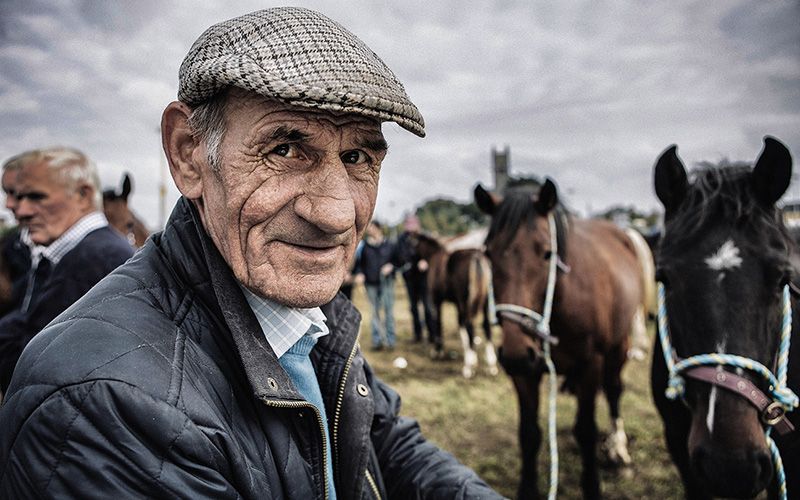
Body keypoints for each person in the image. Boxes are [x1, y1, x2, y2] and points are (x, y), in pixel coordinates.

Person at [0, 8, 502, 499]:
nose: (336, 214)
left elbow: (382, 441)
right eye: (285, 149)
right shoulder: (102, 403)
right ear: (188, 154)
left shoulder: (299, 311)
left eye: (357, 157)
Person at [0, 147, 134, 394]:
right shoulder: (82, 253)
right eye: (19, 197)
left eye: (37, 197)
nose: (21, 210)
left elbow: (35, 370)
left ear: (83, 195)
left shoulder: (94, 259)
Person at [355, 220, 401, 350]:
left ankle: (390, 340)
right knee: (374, 313)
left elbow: (398, 261)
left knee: (388, 312)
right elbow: (360, 264)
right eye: (369, 229)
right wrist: (360, 273)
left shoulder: (390, 245)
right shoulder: (365, 246)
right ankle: (377, 341)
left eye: (372, 228)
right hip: (370, 283)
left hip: (387, 283)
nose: (370, 231)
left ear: (379, 229)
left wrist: (391, 266)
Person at [0, 155, 33, 315]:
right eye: (7, 193)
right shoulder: (10, 244)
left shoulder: (85, 252)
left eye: (17, 193)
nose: (8, 204)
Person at [396, 213, 435, 343]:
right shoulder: (402, 239)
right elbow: (400, 255)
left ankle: (432, 335)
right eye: (408, 224)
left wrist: (426, 261)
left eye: (413, 224)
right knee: (413, 307)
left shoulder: (425, 238)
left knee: (428, 306)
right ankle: (418, 335)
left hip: (423, 278)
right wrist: (407, 264)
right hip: (410, 278)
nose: (411, 227)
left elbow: (433, 254)